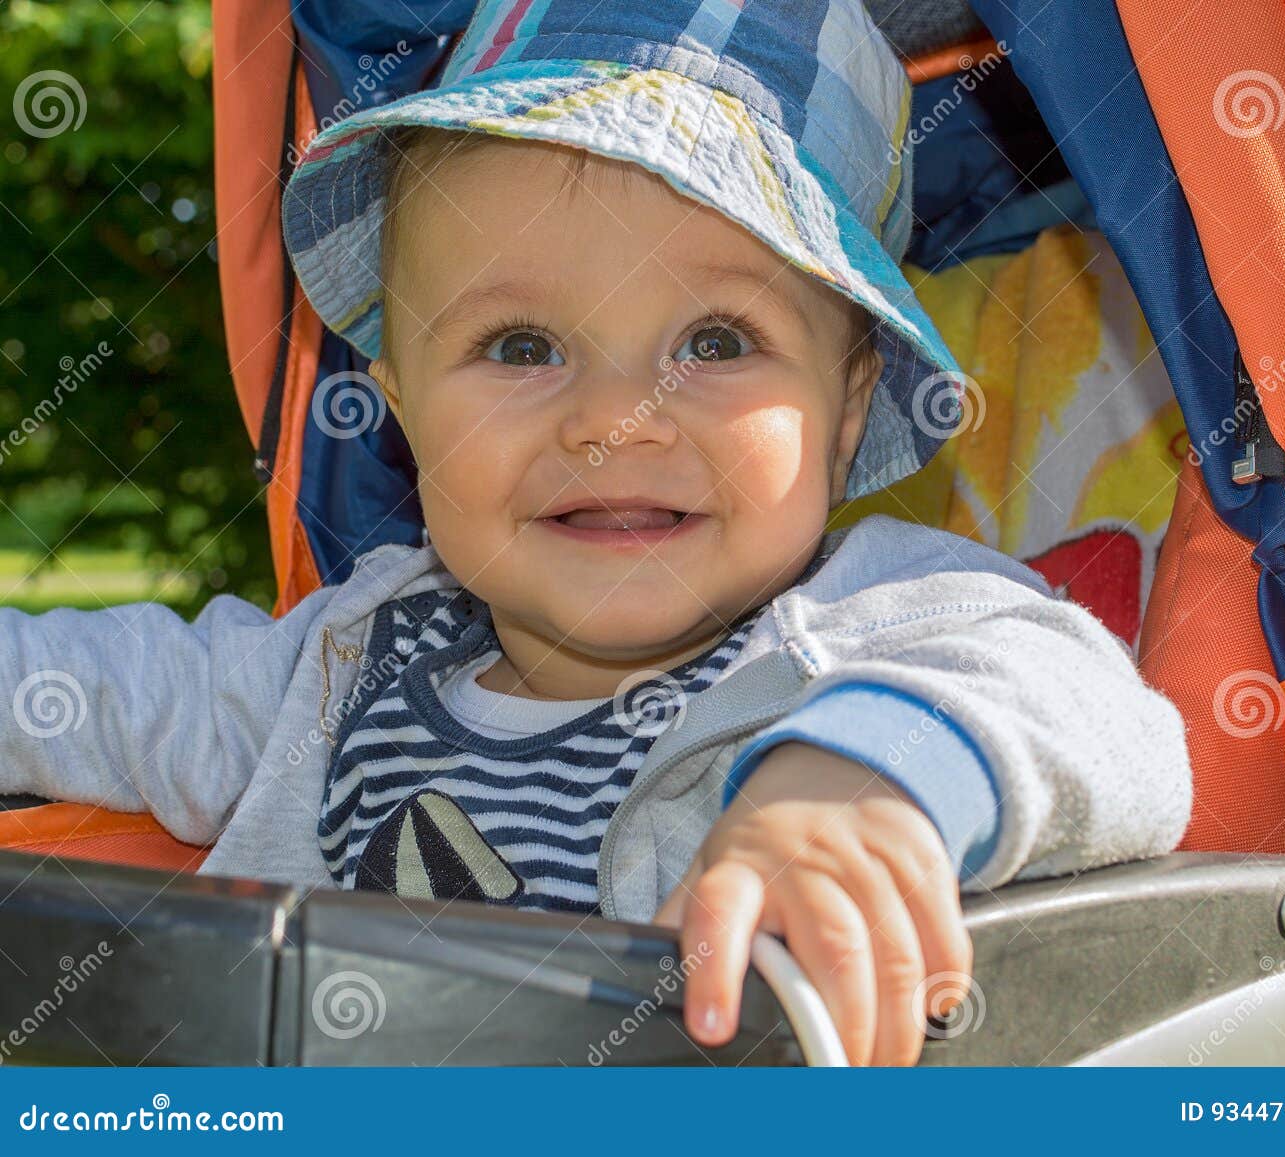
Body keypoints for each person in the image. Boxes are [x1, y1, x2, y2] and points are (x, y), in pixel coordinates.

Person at [0, 0, 1190, 1065]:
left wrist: (866, 780)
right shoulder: (341, 661)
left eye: (715, 342)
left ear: (846, 410)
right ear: (404, 404)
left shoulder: (877, 629)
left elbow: (1103, 717)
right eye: (521, 347)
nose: (614, 421)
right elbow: (93, 688)